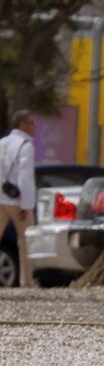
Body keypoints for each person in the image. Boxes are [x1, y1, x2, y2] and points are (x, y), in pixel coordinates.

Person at [0, 109, 37, 287]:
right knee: (27, 240)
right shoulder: (26, 146)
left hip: (0, 197)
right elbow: (25, 177)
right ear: (22, 124)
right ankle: (27, 281)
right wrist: (26, 205)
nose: (33, 127)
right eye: (31, 123)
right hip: (16, 200)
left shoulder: (3, 143)